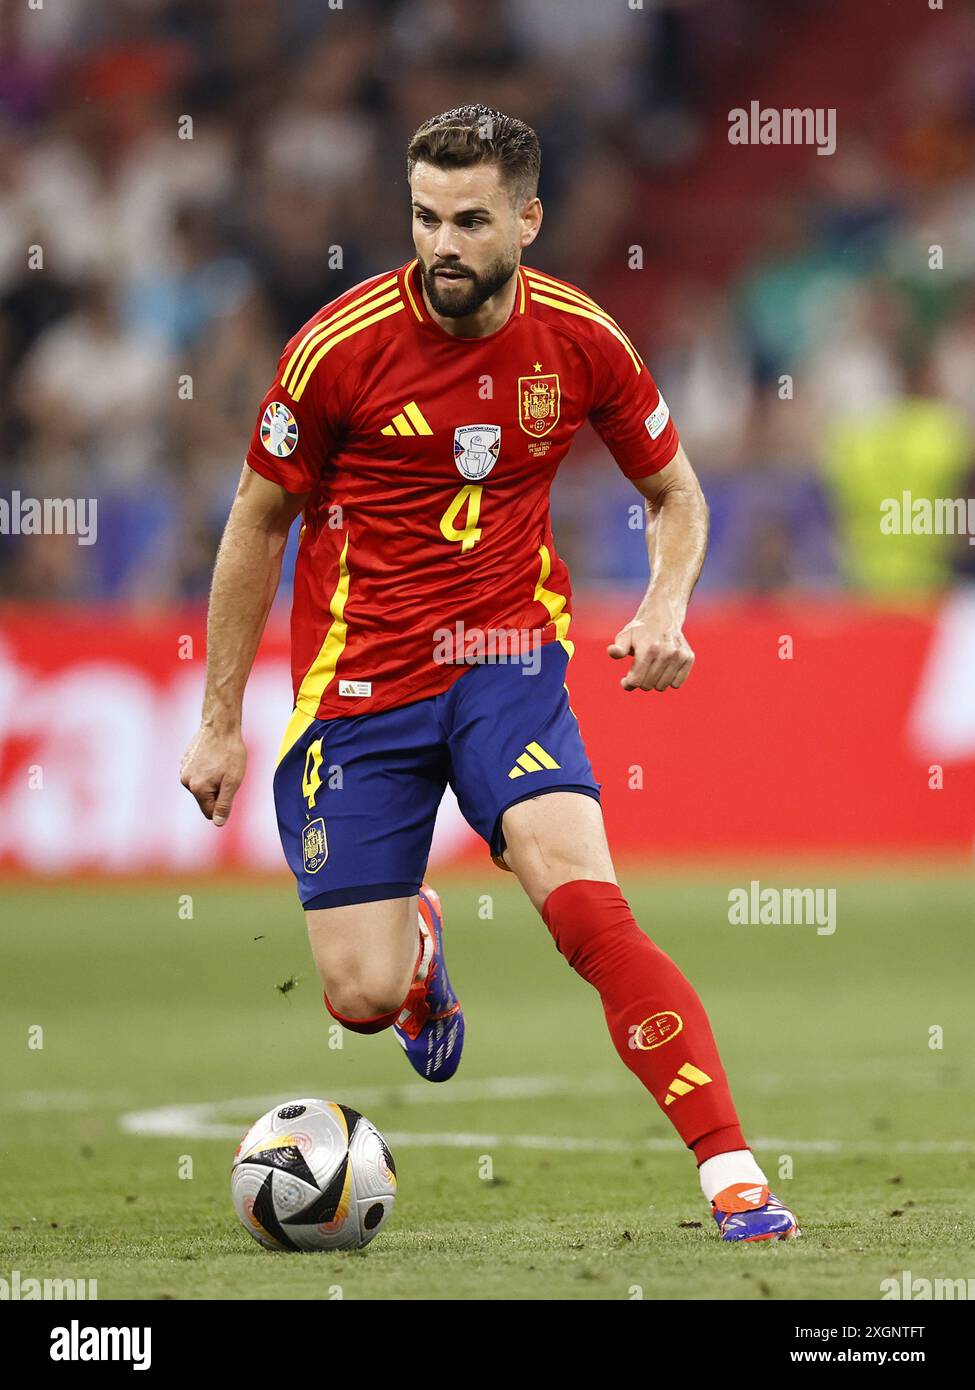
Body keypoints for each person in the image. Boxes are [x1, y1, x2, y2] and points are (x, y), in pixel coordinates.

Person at [180, 105, 799, 1242]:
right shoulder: (337, 347)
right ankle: (416, 956)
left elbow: (678, 494)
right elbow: (255, 524)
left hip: (509, 661)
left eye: (470, 220)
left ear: (528, 218)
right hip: (361, 685)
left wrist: (665, 605)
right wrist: (220, 720)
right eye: (424, 217)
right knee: (360, 999)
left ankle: (735, 1178)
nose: (441, 245)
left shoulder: (582, 339)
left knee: (587, 907)